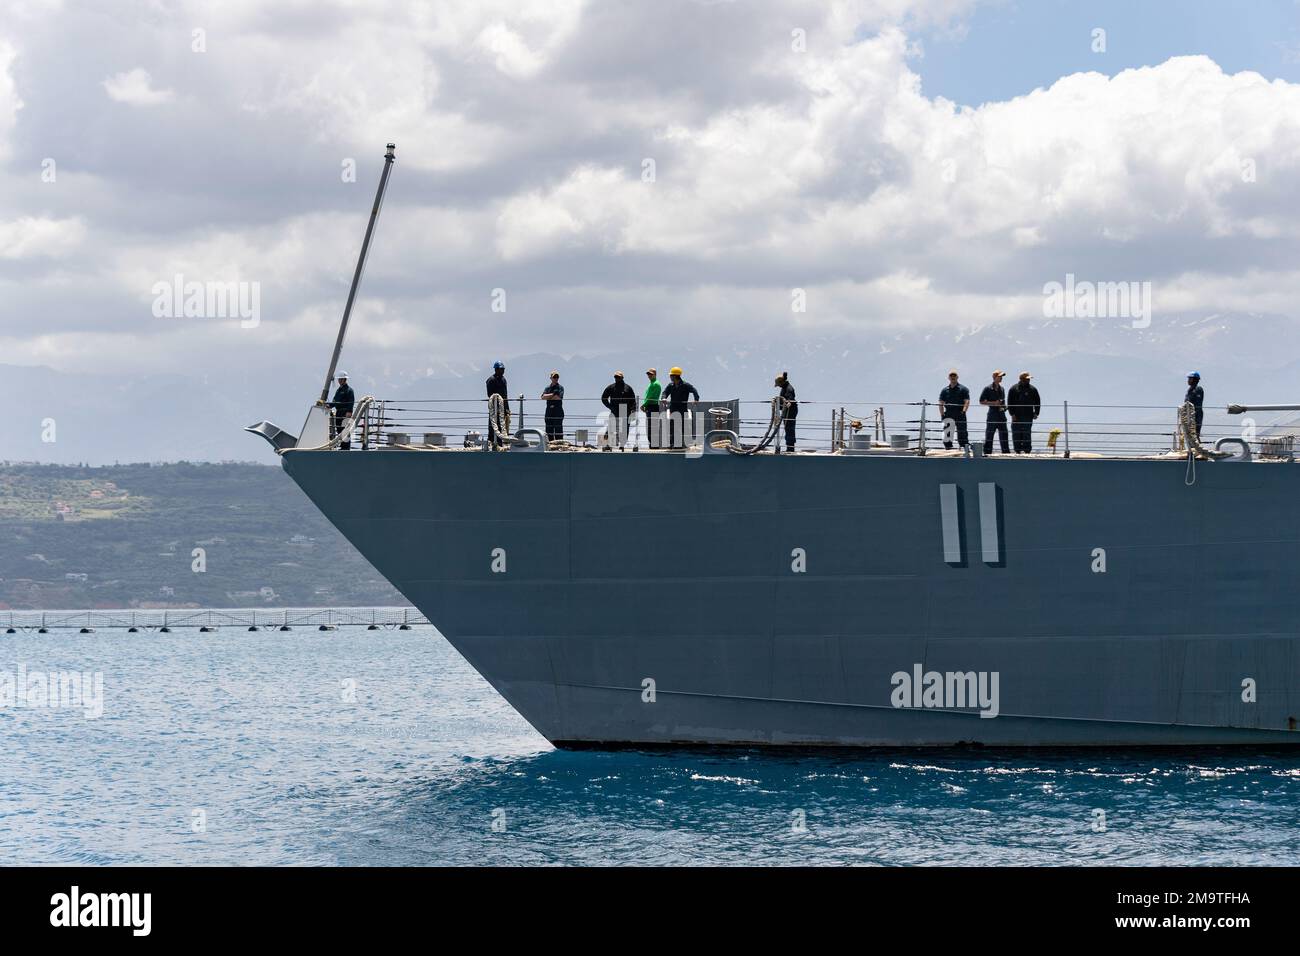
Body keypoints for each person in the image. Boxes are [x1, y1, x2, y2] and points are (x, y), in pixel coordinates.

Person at [661, 366, 700, 449]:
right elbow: (665, 392)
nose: (670, 377)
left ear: (675, 376)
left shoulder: (685, 385)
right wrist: (664, 398)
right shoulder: (671, 385)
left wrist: (696, 399)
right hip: (673, 408)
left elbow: (694, 390)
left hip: (682, 408)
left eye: (671, 375)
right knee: (672, 426)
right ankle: (673, 444)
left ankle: (681, 444)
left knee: (681, 426)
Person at [601, 371, 637, 448]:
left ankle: (622, 445)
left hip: (625, 411)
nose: (616, 378)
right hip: (614, 411)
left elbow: (633, 401)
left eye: (618, 377)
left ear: (622, 378)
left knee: (625, 428)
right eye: (615, 377)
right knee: (611, 427)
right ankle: (609, 444)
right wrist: (610, 406)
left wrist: (633, 411)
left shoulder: (628, 388)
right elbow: (604, 398)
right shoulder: (611, 387)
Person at [1008, 371, 1041, 453]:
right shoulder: (1013, 389)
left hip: (1028, 415)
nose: (1029, 380)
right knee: (1016, 433)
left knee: (1027, 433)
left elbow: (1037, 401)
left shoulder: (1033, 389)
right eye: (1027, 379)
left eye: (1029, 379)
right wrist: (1012, 414)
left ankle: (1027, 451)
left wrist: (1036, 413)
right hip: (1016, 416)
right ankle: (1017, 451)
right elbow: (1009, 402)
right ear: (1021, 379)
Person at [979, 370, 1009, 455]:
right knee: (989, 435)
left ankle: (1006, 453)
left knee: (1004, 435)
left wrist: (1005, 407)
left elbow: (1002, 402)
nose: (1001, 378)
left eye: (1001, 376)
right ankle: (987, 453)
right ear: (994, 377)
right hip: (992, 414)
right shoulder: (987, 388)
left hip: (1001, 414)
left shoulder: (1002, 389)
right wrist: (994, 403)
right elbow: (981, 401)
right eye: (999, 376)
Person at [938, 370, 970, 450]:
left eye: (954, 376)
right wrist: (942, 414)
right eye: (951, 376)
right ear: (948, 378)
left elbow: (967, 401)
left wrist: (963, 411)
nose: (953, 377)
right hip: (948, 413)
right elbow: (941, 403)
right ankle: (948, 447)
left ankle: (963, 448)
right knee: (947, 432)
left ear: (957, 377)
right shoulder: (944, 390)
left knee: (962, 432)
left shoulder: (963, 389)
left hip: (960, 413)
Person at [328, 371, 355, 450]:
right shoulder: (338, 390)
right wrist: (328, 405)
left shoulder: (349, 390)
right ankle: (342, 446)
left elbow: (351, 401)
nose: (339, 381)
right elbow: (335, 401)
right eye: (339, 379)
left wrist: (349, 412)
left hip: (345, 413)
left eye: (341, 379)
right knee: (339, 429)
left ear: (345, 379)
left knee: (345, 431)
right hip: (339, 412)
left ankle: (346, 448)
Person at [485, 360, 508, 447]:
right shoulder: (491, 380)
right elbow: (489, 394)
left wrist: (507, 408)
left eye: (503, 369)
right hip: (494, 406)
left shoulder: (503, 380)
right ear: (496, 369)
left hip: (502, 406)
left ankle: (500, 442)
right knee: (493, 424)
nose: (502, 371)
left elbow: (505, 395)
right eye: (501, 369)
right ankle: (492, 441)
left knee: (502, 424)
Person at [775, 372, 798, 452]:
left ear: (781, 383)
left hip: (790, 412)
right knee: (788, 429)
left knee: (789, 429)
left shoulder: (789, 389)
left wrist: (786, 403)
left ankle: (790, 448)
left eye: (778, 385)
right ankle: (789, 447)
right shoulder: (785, 387)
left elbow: (790, 400)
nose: (778, 386)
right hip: (787, 411)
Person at [540, 371, 565, 442]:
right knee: (549, 429)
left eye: (557, 377)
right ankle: (550, 444)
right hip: (549, 411)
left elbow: (559, 397)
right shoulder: (547, 388)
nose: (556, 378)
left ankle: (559, 444)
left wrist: (548, 396)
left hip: (558, 411)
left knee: (558, 429)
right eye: (554, 377)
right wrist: (553, 394)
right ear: (551, 378)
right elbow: (542, 397)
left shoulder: (560, 387)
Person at [642, 368, 662, 449]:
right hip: (650, 406)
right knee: (650, 427)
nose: (649, 375)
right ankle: (652, 444)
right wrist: (645, 405)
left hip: (653, 406)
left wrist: (644, 405)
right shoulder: (652, 383)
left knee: (652, 427)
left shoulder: (655, 384)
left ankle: (654, 445)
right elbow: (648, 396)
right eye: (648, 374)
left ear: (655, 375)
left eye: (651, 374)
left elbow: (651, 397)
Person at [1185, 371, 1204, 438]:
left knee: (1195, 434)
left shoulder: (1198, 389)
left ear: (1195, 380)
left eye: (1190, 379)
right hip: (1189, 415)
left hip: (1196, 415)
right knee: (1189, 435)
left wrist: (1193, 415)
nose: (1188, 380)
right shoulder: (1189, 390)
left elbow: (1197, 403)